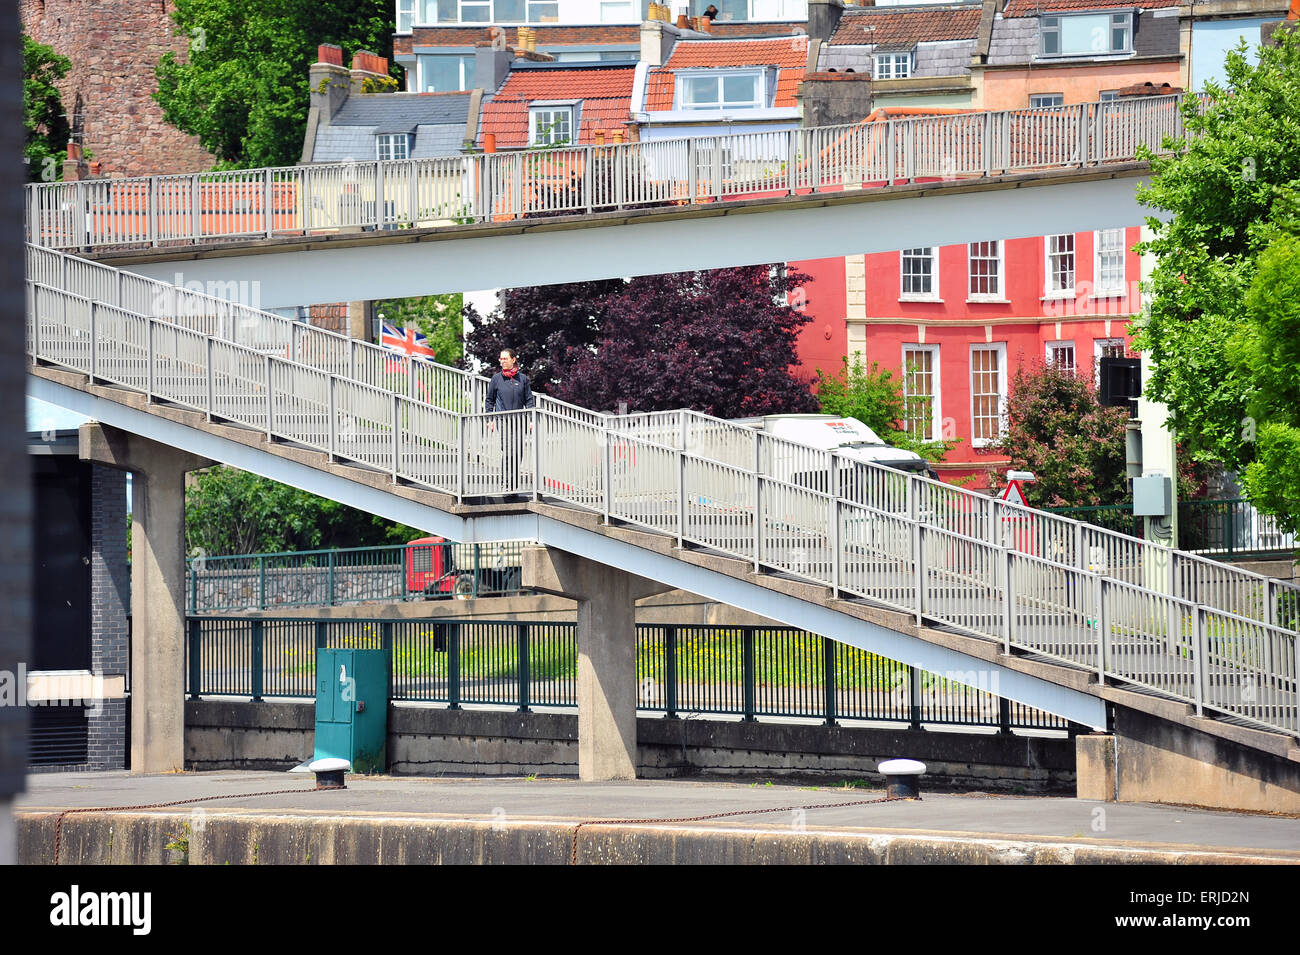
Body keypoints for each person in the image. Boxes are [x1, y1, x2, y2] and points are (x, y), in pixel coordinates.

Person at [484, 348, 535, 497]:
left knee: (517, 452)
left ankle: (514, 485)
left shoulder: (523, 379)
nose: (502, 361)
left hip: (519, 421)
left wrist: (532, 420)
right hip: (503, 420)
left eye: (505, 358)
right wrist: (489, 418)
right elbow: (489, 400)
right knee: (508, 451)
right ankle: (506, 484)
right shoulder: (496, 379)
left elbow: (529, 400)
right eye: (501, 359)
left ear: (513, 360)